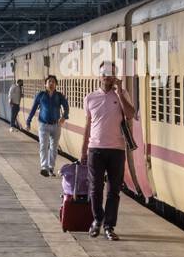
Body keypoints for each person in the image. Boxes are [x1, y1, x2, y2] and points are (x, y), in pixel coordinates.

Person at [81, 62, 135, 241]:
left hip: (117, 150)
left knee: (114, 190)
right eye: (105, 73)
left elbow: (130, 114)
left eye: (111, 73)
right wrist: (83, 150)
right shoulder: (90, 98)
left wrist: (120, 93)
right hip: (95, 149)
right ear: (100, 75)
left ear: (115, 76)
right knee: (95, 188)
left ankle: (109, 226)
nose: (108, 77)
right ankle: (97, 219)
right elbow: (88, 125)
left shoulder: (121, 94)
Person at [26, 76, 69, 176]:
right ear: (45, 84)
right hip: (43, 125)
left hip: (56, 125)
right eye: (49, 82)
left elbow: (66, 107)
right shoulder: (40, 95)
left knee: (54, 147)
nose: (51, 83)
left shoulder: (59, 96)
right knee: (43, 146)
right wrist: (28, 121)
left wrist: (64, 116)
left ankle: (51, 167)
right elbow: (33, 109)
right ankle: (44, 167)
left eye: (53, 82)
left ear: (56, 84)